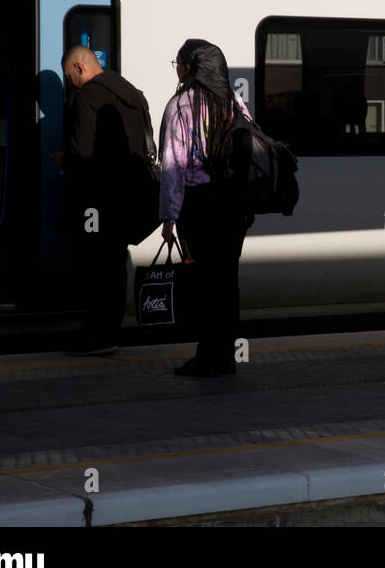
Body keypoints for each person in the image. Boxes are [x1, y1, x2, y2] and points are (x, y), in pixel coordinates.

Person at [159, 39, 252, 377]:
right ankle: (225, 356)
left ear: (191, 66)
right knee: (227, 281)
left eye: (179, 63)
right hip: (231, 206)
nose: (178, 70)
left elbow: (173, 165)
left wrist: (169, 215)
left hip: (198, 206)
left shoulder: (181, 106)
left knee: (204, 282)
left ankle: (206, 356)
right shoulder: (234, 102)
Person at [55, 45, 156, 355]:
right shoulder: (133, 93)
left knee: (95, 265)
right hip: (128, 196)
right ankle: (110, 333)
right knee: (113, 264)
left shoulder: (89, 95)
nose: (71, 85)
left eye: (71, 78)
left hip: (96, 199)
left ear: (80, 68)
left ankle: (97, 337)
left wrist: (64, 159)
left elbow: (84, 151)